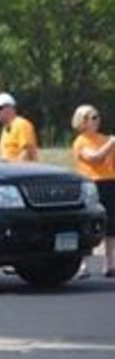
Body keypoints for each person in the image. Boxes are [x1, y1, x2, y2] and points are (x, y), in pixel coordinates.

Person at [70, 104, 115, 278]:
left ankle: (110, 264)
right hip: (91, 184)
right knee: (88, 224)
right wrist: (111, 143)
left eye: (97, 117)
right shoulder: (81, 141)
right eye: (93, 117)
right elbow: (94, 158)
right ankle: (83, 265)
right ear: (83, 121)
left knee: (111, 225)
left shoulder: (104, 138)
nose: (97, 120)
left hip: (110, 182)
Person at [0, 92, 39, 162]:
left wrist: (12, 168)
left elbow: (27, 153)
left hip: (23, 171)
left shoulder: (22, 125)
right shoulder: (6, 128)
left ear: (10, 108)